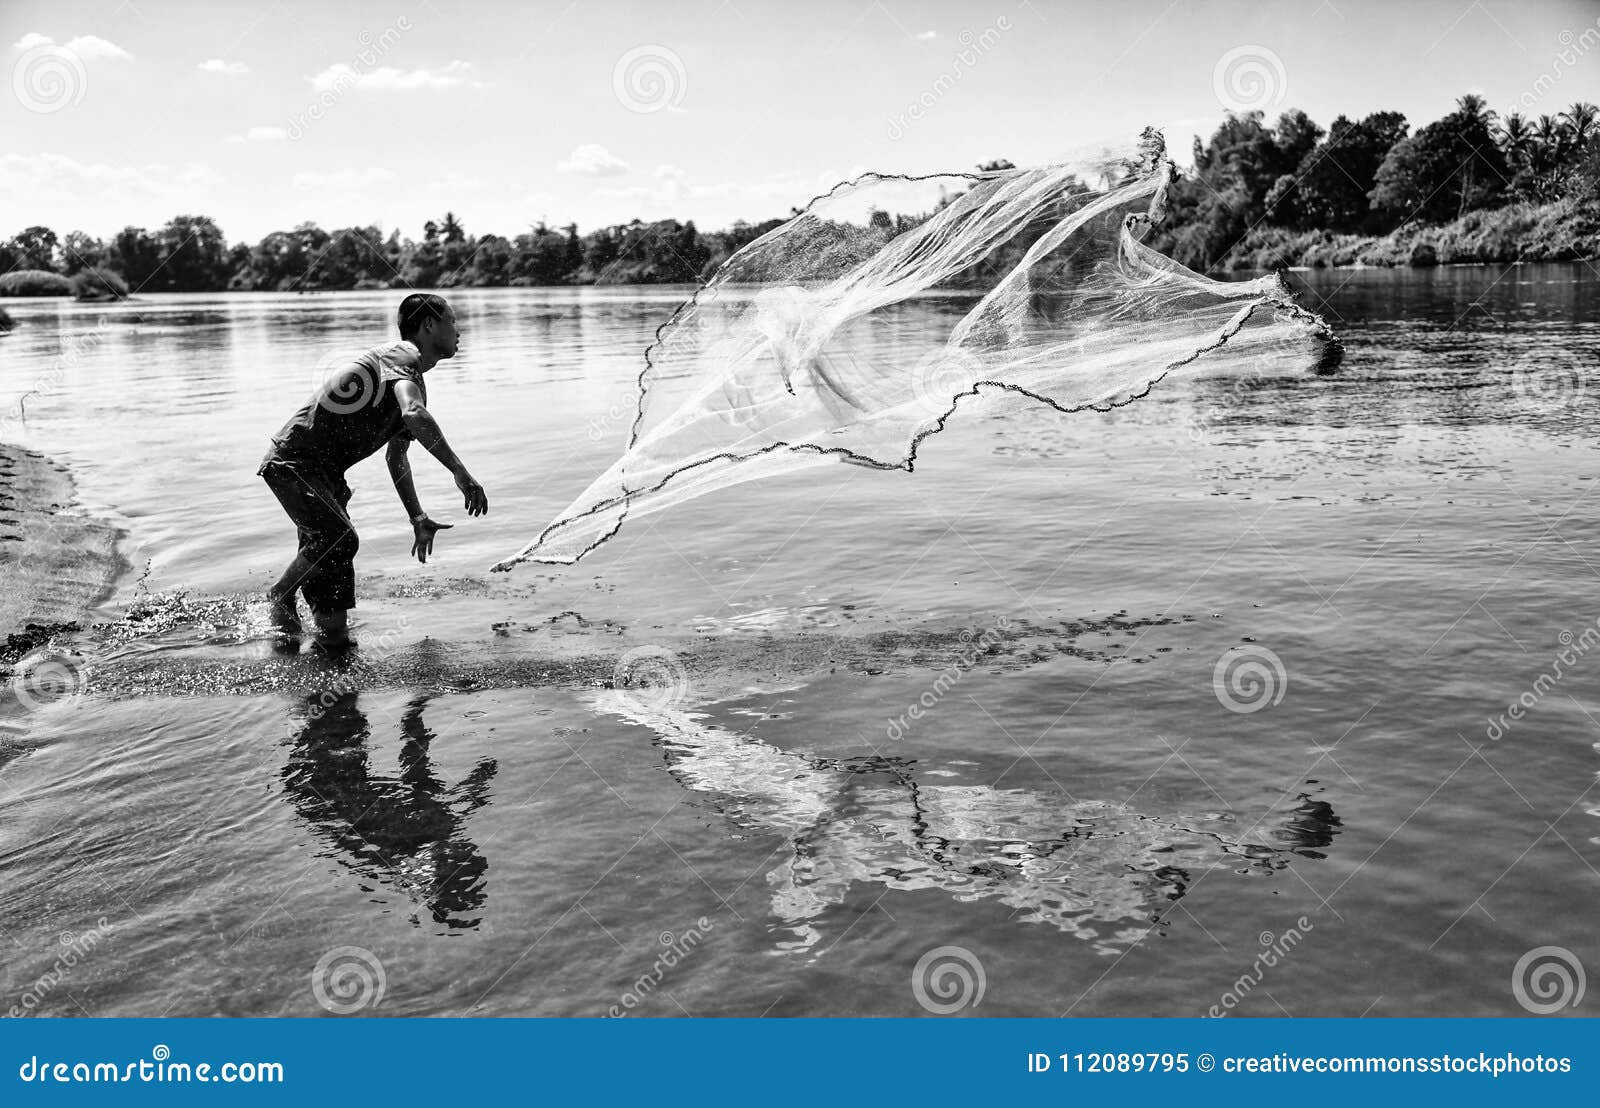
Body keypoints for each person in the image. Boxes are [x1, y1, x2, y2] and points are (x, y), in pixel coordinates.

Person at [258, 293, 488, 647]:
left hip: (326, 477)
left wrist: (417, 517)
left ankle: (327, 661)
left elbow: (396, 457)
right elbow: (414, 414)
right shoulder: (403, 355)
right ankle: (280, 595)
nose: (459, 331)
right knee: (338, 539)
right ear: (429, 325)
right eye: (452, 321)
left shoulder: (409, 381)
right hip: (296, 463)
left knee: (333, 605)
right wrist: (460, 472)